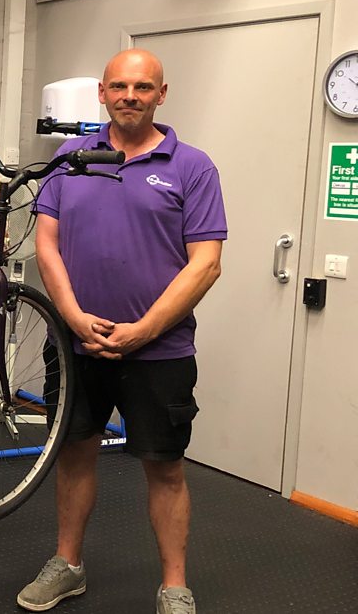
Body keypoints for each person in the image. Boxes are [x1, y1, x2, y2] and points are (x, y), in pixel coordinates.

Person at [19, 48, 225, 614]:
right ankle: (68, 565)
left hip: (160, 351)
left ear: (162, 94)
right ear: (103, 94)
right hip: (75, 342)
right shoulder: (70, 157)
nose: (129, 96)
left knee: (165, 466)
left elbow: (205, 262)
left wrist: (143, 331)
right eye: (119, 86)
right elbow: (46, 245)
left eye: (142, 87)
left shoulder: (192, 166)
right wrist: (73, 316)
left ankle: (175, 585)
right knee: (75, 453)